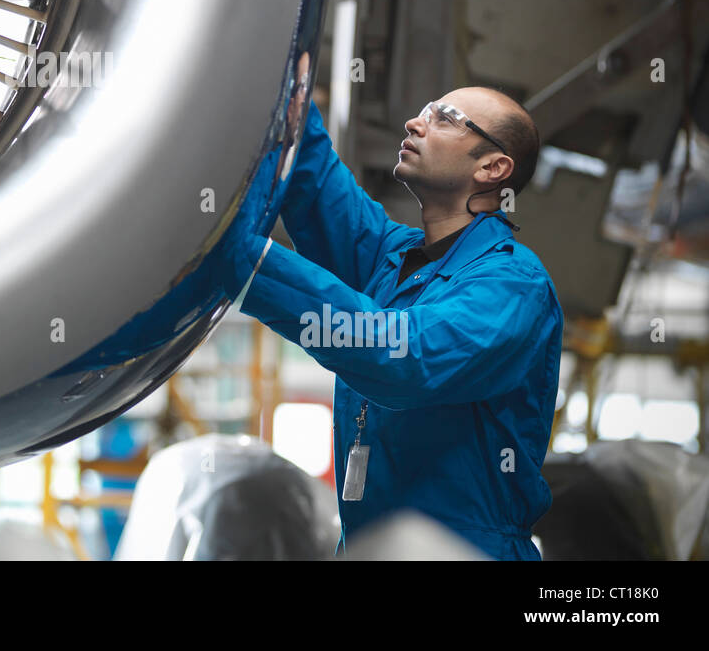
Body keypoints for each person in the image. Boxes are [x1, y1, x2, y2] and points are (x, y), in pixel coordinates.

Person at [230, 87, 563, 560]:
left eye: (445, 118)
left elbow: (401, 358)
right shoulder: (392, 258)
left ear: (492, 169)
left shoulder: (512, 286)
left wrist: (239, 259)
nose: (414, 122)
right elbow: (313, 180)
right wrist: (287, 82)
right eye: (422, 109)